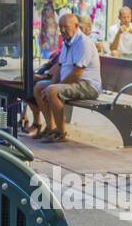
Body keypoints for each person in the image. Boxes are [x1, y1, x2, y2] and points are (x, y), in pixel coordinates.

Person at [35, 12, 101, 143]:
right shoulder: (66, 43)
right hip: (73, 82)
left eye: (66, 26)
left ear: (76, 26)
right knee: (39, 87)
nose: (63, 30)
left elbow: (77, 74)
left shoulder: (84, 43)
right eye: (60, 27)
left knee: (52, 91)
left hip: (88, 85)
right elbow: (60, 68)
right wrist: (50, 84)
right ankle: (51, 127)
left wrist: (56, 87)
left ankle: (61, 132)